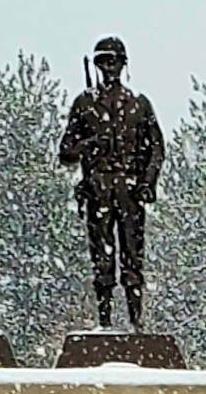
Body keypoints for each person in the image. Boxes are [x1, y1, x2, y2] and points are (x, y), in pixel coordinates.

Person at [58, 36, 165, 330]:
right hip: (98, 189)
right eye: (103, 62)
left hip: (130, 191)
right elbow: (65, 150)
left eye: (113, 61)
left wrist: (148, 182)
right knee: (102, 260)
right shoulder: (84, 104)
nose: (108, 67)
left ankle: (136, 321)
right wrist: (89, 144)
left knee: (133, 258)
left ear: (122, 64)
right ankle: (104, 321)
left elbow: (156, 148)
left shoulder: (138, 104)